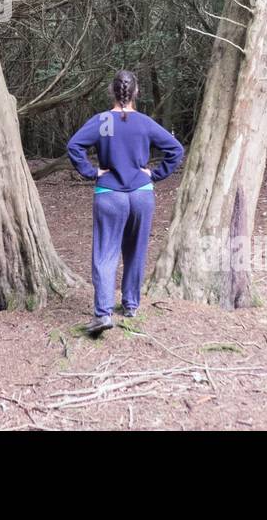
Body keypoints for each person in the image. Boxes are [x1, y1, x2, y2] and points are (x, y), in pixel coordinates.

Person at [66, 69, 185, 335]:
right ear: (136, 92)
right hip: (141, 194)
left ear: (112, 91)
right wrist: (155, 174)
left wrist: (92, 172)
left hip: (110, 194)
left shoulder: (105, 121)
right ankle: (130, 305)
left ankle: (104, 313)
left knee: (106, 254)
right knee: (136, 251)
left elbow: (75, 146)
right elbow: (175, 150)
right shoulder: (144, 122)